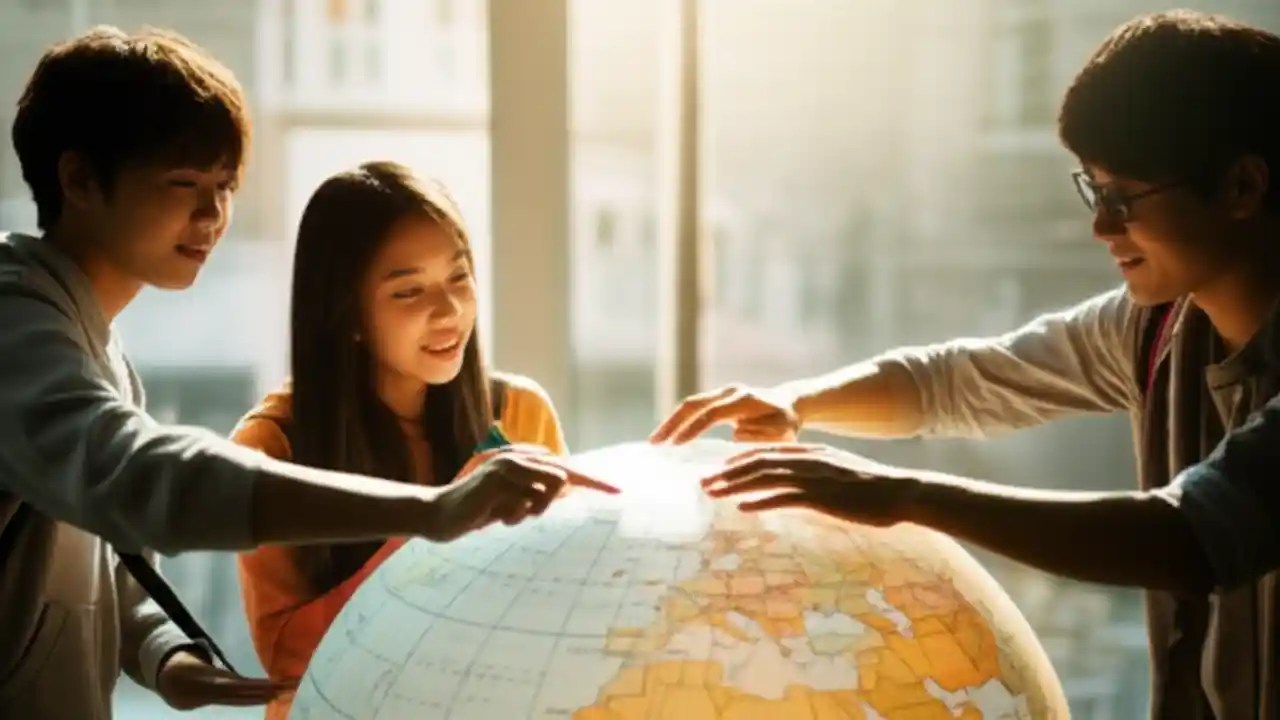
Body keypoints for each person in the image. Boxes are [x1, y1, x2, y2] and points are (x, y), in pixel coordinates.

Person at [654, 10, 1280, 719]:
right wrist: (798, 403)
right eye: (1093, 191)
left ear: (1242, 188)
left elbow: (1191, 536)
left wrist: (904, 496)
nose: (1101, 227)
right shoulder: (1154, 327)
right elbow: (959, 381)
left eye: (1123, 199)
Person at [0, 26, 609, 718]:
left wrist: (163, 652)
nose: (213, 214)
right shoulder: (15, 321)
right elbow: (143, 476)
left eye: (224, 185)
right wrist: (434, 512)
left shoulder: (96, 346)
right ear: (78, 178)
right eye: (182, 183)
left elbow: (109, 557)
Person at [230, 161, 574, 719]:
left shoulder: (518, 412)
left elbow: (559, 604)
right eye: (409, 291)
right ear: (348, 314)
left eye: (459, 278)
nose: (448, 312)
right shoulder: (270, 448)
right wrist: (437, 521)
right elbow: (287, 660)